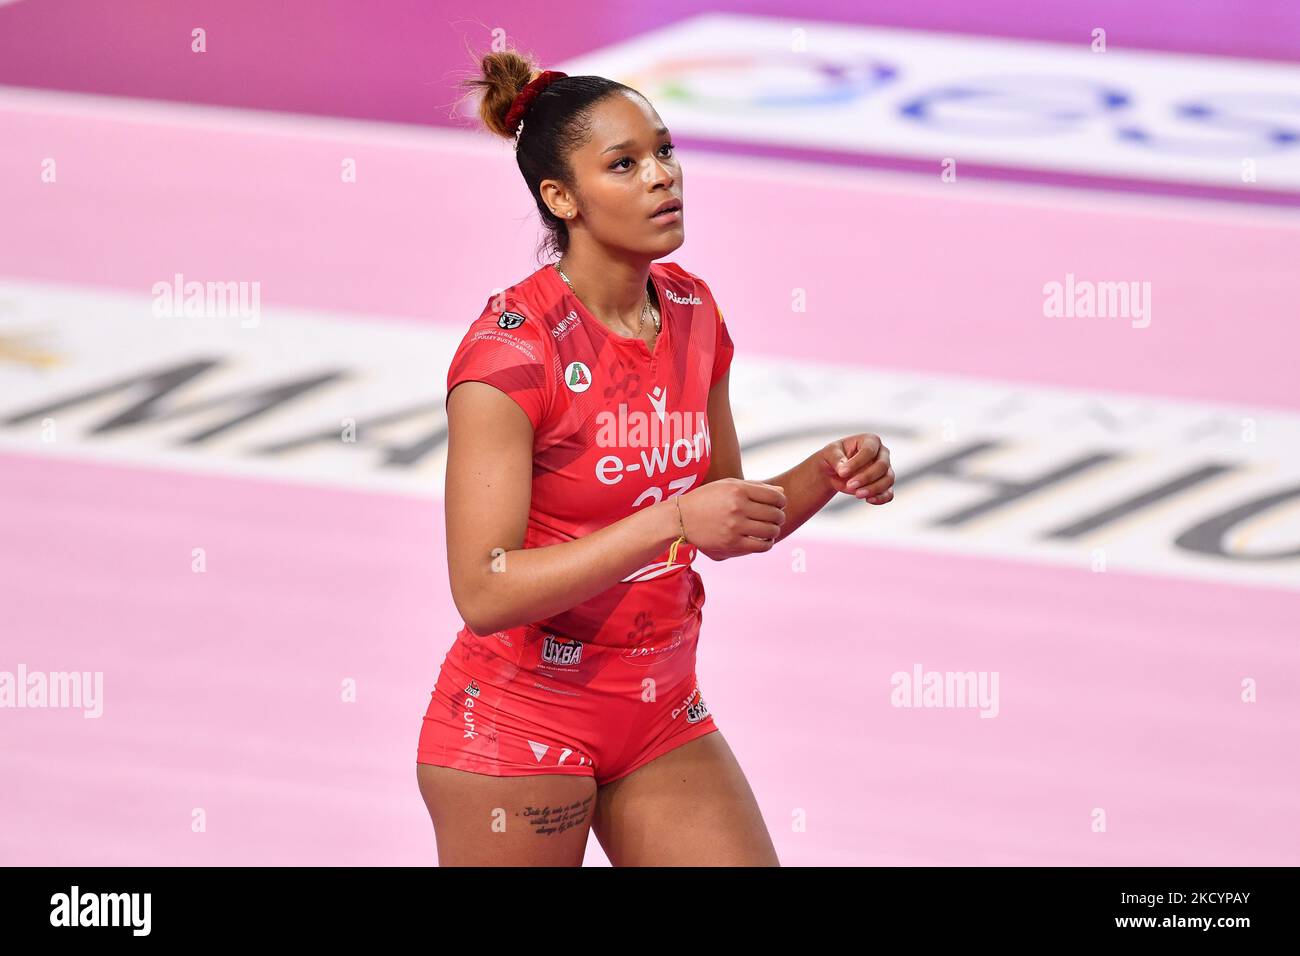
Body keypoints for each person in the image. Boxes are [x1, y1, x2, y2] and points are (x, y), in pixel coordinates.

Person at [415, 49, 895, 866]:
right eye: (625, 164)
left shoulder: (692, 309)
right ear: (559, 199)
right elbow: (485, 589)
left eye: (665, 152)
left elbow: (723, 514)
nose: (662, 177)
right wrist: (669, 521)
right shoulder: (510, 357)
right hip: (520, 720)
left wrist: (825, 474)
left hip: (659, 710)